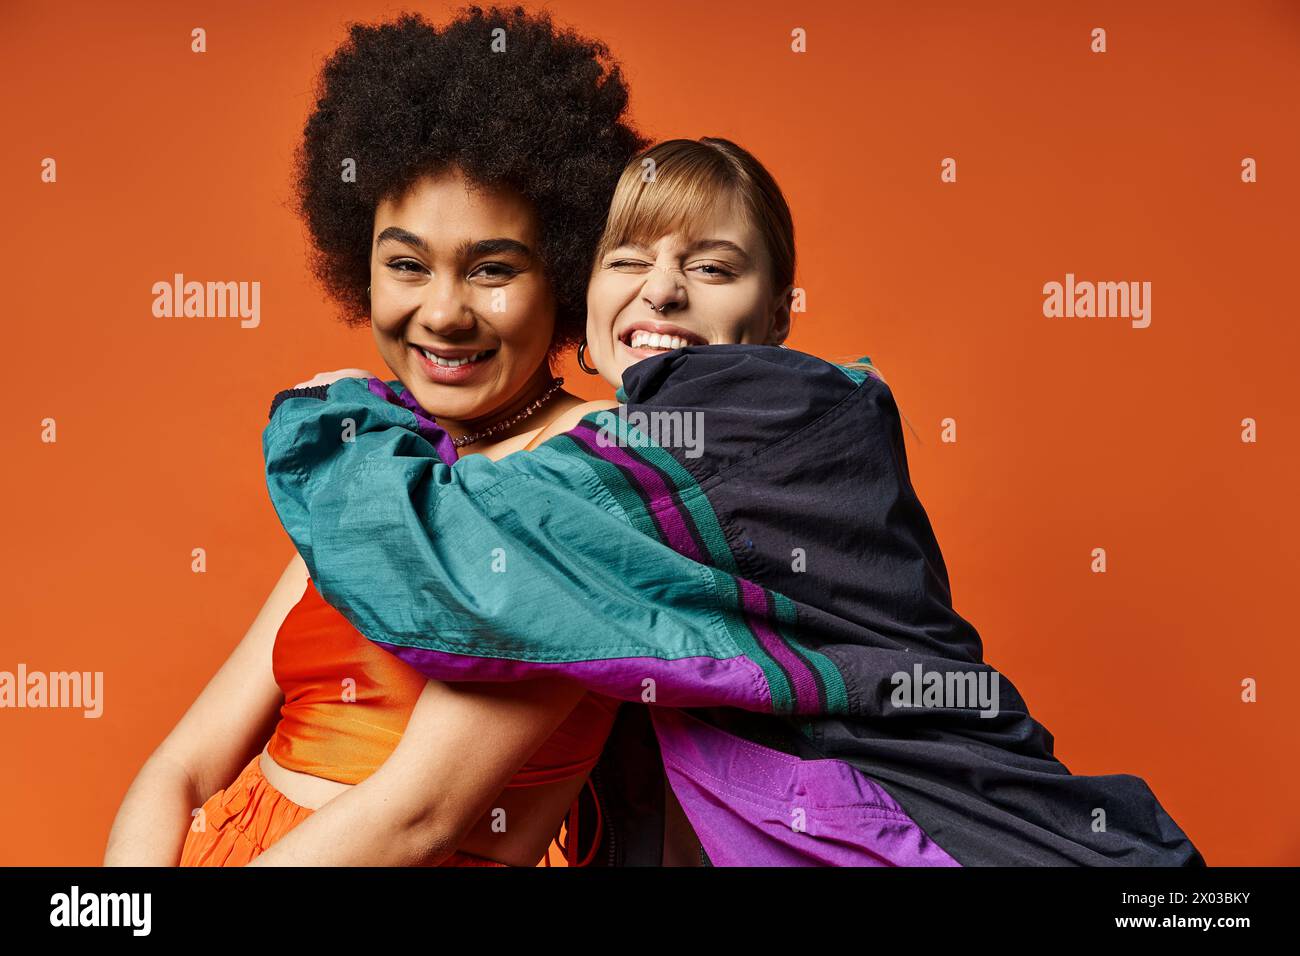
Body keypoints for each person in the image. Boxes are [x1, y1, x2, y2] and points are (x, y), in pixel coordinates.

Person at [263, 136, 1206, 866]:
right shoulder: (634, 451)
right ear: (585, 302)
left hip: (958, 837)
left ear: (778, 311)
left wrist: (330, 418)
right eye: (628, 259)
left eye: (713, 268)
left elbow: (444, 560)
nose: (663, 291)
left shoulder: (763, 413)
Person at [104, 6, 644, 867]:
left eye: (492, 268)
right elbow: (181, 767)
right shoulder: (377, 457)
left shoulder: (593, 479)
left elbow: (419, 817)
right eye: (406, 263)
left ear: (568, 276)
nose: (440, 312)